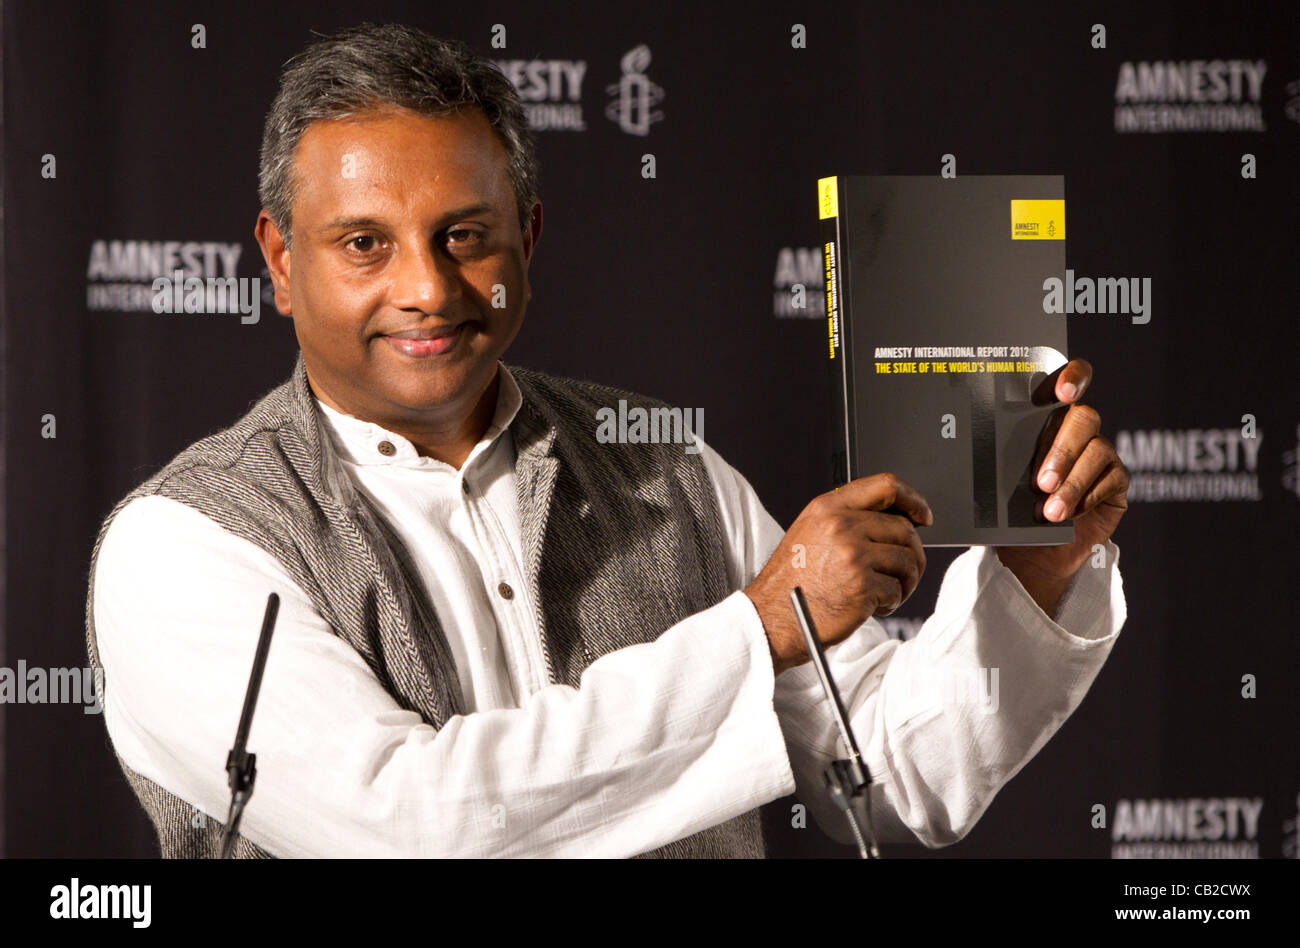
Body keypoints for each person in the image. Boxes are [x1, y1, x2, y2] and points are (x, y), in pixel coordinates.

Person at [85, 23, 1130, 858]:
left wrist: (1035, 572)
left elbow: (901, 777)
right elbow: (406, 831)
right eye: (365, 243)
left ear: (526, 238)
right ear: (277, 256)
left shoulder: (666, 469)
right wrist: (758, 625)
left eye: (465, 235)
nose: (427, 288)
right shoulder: (185, 543)